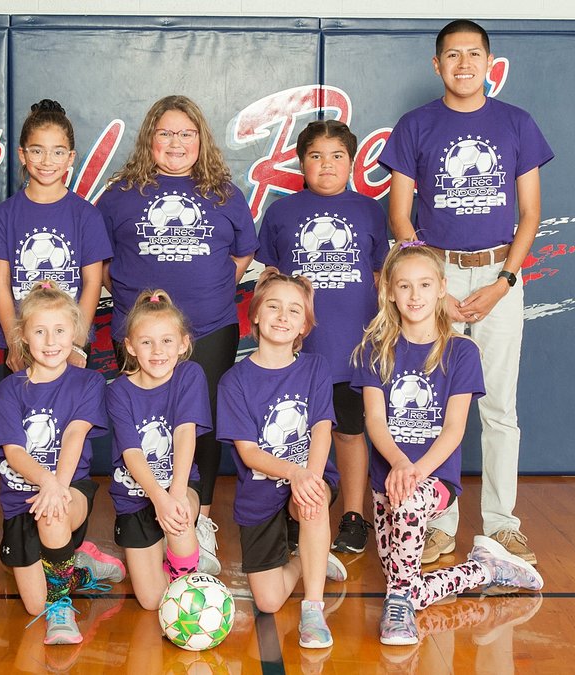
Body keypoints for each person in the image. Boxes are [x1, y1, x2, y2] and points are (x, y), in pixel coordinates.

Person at [380, 19, 554, 565]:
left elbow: (530, 215)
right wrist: (435, 289)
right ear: (437, 65)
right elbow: (400, 215)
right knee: (433, 408)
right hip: (437, 275)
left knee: (499, 407)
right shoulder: (415, 125)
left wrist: (504, 281)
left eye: (473, 54)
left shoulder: (516, 123)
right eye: (452, 55)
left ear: (489, 63)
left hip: (500, 273)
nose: (462, 64)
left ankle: (502, 524)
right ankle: (437, 521)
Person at [351, 242, 543, 645]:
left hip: (432, 480)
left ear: (442, 288)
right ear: (388, 290)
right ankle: (484, 570)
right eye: (404, 286)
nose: (415, 295)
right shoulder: (375, 348)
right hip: (389, 477)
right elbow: (375, 422)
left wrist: (417, 472)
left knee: (401, 558)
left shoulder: (461, 351)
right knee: (401, 576)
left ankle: (399, 613)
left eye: (424, 285)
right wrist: (401, 466)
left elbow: (454, 429)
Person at [98, 94, 259, 573]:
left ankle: (198, 521)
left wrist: (204, 293)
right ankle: (145, 516)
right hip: (140, 331)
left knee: (200, 424)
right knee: (143, 424)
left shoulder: (224, 194)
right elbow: (103, 266)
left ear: (201, 140)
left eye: (186, 134)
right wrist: (143, 313)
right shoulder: (119, 194)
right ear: (150, 138)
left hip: (208, 328)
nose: (176, 142)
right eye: (165, 132)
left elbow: (240, 258)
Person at [257, 120, 389, 554]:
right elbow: (271, 280)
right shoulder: (281, 213)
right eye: (315, 156)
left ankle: (353, 515)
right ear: (301, 163)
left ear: (352, 162)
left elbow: (378, 277)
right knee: (295, 434)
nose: (326, 164)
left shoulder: (370, 211)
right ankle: (296, 512)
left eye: (336, 156)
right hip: (301, 350)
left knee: (350, 432)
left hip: (354, 348)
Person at [0, 282, 125, 645]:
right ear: (22, 337)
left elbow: (74, 436)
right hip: (22, 499)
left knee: (53, 515)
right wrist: (45, 483)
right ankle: (77, 566)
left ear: (75, 332)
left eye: (60, 330)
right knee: (33, 605)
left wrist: (57, 488)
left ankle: (61, 607)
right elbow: (15, 453)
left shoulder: (89, 382)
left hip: (69, 492)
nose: (51, 341)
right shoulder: (8, 389)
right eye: (40, 331)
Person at [217, 267, 342, 649]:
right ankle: (310, 556)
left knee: (313, 501)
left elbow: (322, 427)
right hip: (262, 493)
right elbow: (249, 453)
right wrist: (295, 473)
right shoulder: (234, 381)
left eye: (294, 310)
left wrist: (310, 479)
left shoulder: (316, 367)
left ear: (305, 325)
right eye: (273, 307)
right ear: (254, 314)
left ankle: (313, 609)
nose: (283, 317)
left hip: (307, 481)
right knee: (269, 601)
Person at [0, 99, 112, 372]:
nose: (47, 161)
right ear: (22, 154)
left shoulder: (86, 216)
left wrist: (76, 343)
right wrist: (15, 343)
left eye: (58, 152)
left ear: (71, 158)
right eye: (37, 151)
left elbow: (91, 282)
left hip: (69, 342)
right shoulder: (4, 215)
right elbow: (0, 284)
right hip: (24, 341)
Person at [107, 290, 210, 609]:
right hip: (135, 496)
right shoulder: (118, 391)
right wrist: (159, 498)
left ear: (183, 343)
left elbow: (184, 433)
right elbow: (132, 454)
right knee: (151, 602)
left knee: (179, 514)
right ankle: (169, 558)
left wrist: (175, 494)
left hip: (177, 485)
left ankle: (185, 582)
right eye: (146, 342)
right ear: (130, 346)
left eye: (166, 341)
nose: (157, 351)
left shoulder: (189, 375)